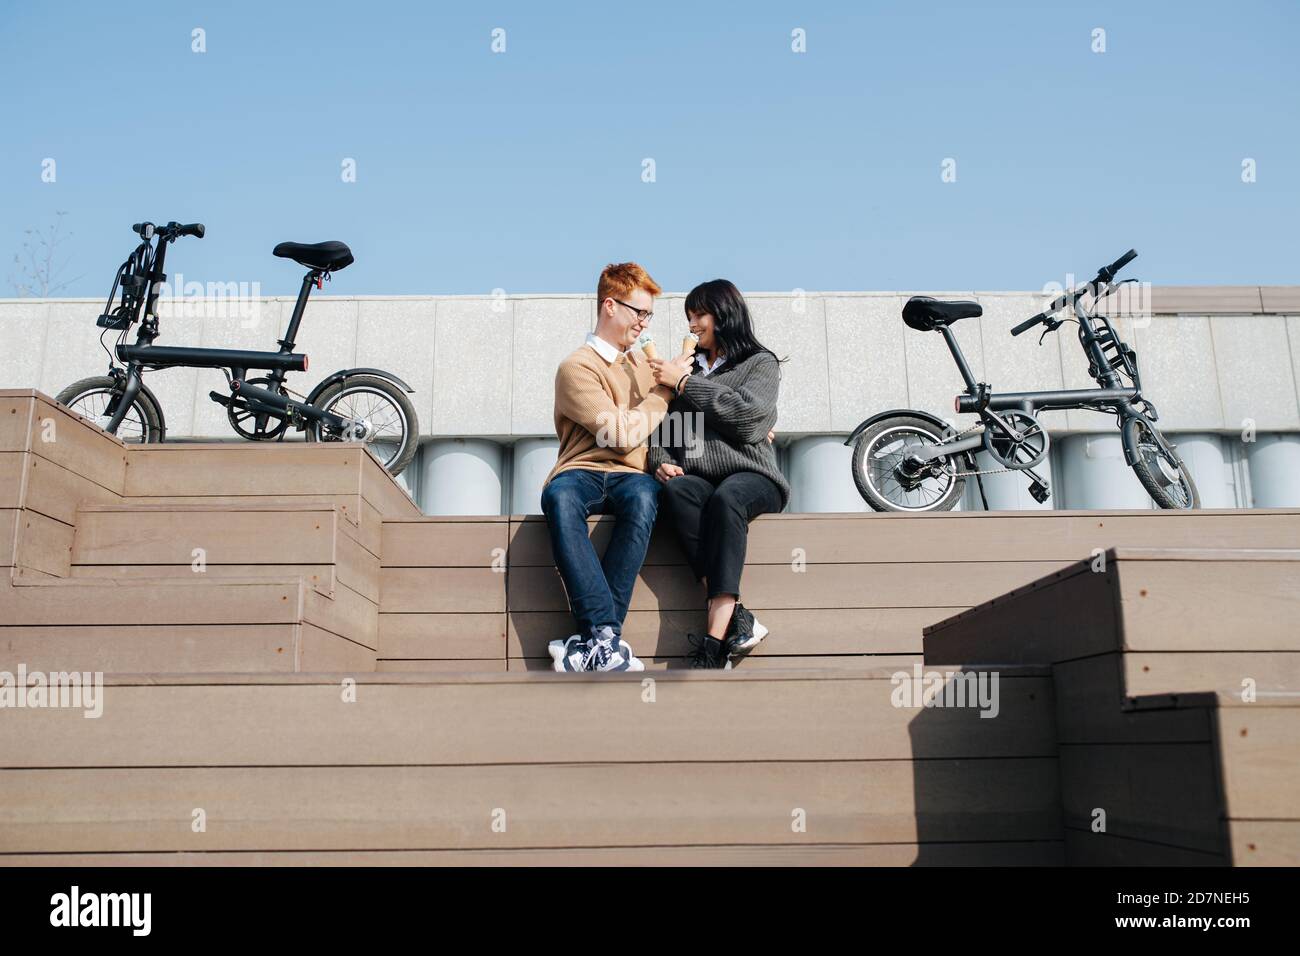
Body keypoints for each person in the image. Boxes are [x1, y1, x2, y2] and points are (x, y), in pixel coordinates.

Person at [541, 262, 696, 672]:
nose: (644, 323)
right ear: (609, 305)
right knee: (560, 497)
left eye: (649, 315)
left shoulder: (646, 366)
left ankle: (593, 642)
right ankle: (605, 637)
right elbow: (620, 434)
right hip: (581, 469)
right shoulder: (576, 367)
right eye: (638, 312)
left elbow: (680, 425)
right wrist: (664, 392)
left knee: (645, 499)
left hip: (633, 476)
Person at [647, 279, 790, 669]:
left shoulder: (759, 363)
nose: (692, 325)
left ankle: (712, 643)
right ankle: (737, 617)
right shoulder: (685, 367)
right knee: (676, 491)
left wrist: (685, 384)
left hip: (752, 474)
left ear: (724, 315)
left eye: (699, 315)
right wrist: (659, 458)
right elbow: (665, 426)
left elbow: (747, 418)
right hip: (698, 475)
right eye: (689, 317)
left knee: (728, 498)